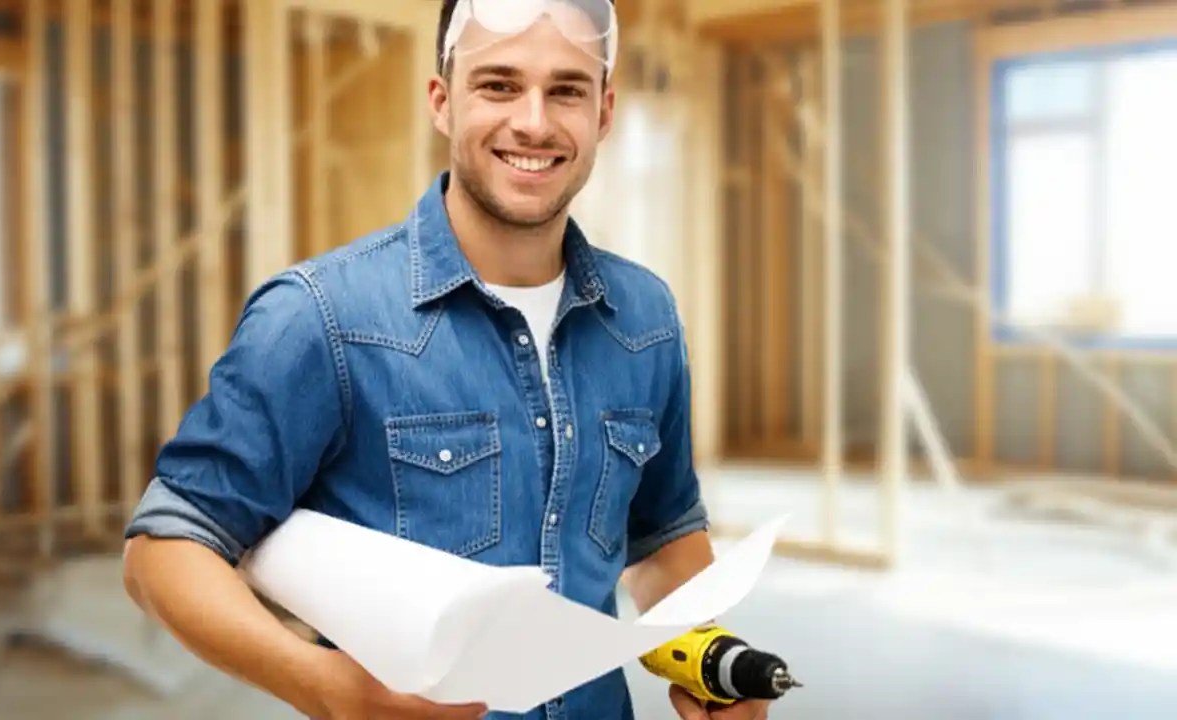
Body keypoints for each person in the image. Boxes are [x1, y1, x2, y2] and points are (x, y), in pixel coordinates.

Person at [121, 1, 770, 719]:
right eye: (498, 85)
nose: (533, 121)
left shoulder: (645, 319)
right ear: (442, 101)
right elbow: (165, 549)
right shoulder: (322, 316)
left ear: (604, 112)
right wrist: (323, 688)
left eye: (566, 90)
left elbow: (662, 537)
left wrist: (713, 660)